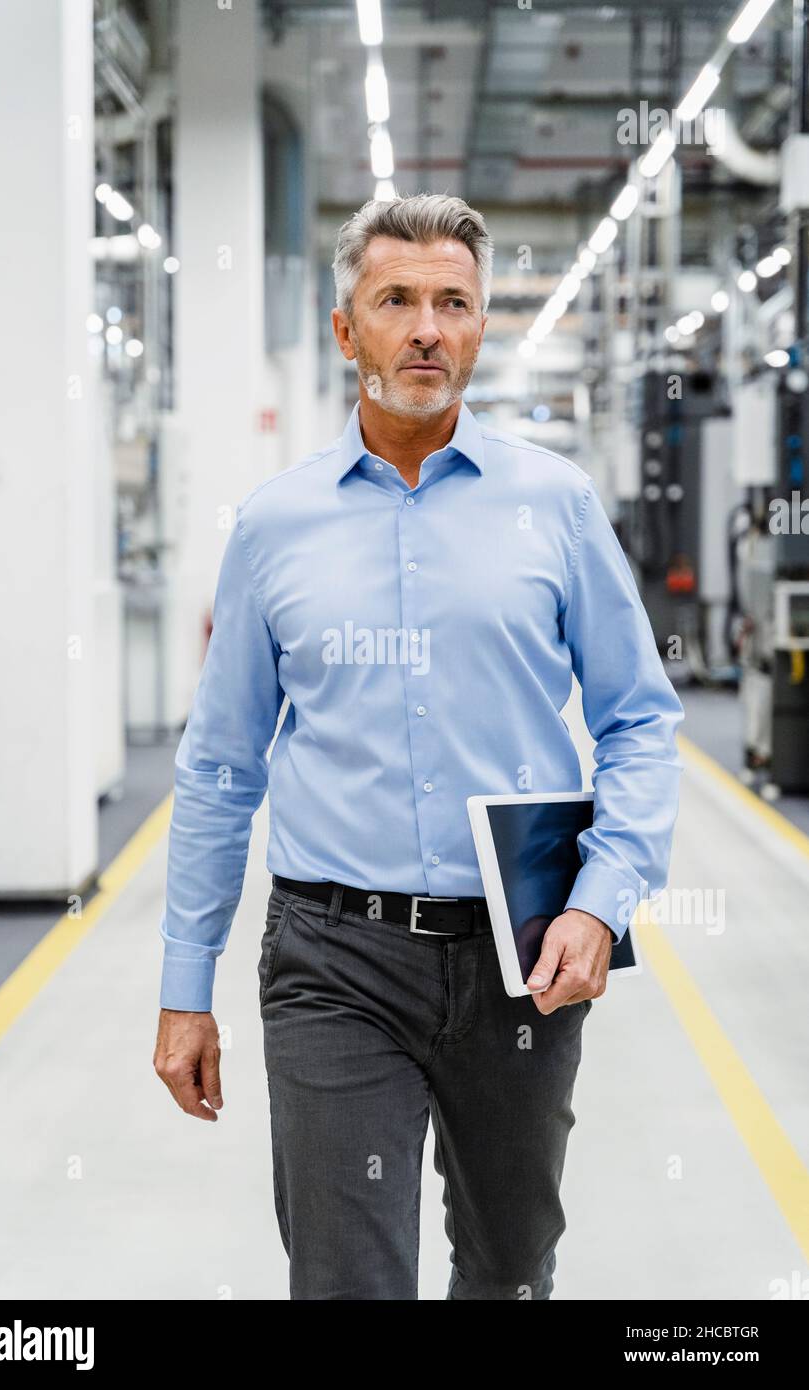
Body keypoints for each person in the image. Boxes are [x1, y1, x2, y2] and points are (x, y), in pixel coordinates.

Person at [153, 192, 684, 1300]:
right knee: (348, 1279)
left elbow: (638, 717)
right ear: (347, 331)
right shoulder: (274, 526)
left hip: (523, 953)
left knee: (507, 1266)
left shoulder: (558, 506)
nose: (426, 328)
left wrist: (602, 899)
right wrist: (182, 984)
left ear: (481, 325)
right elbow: (218, 768)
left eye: (452, 302)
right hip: (332, 958)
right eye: (394, 301)